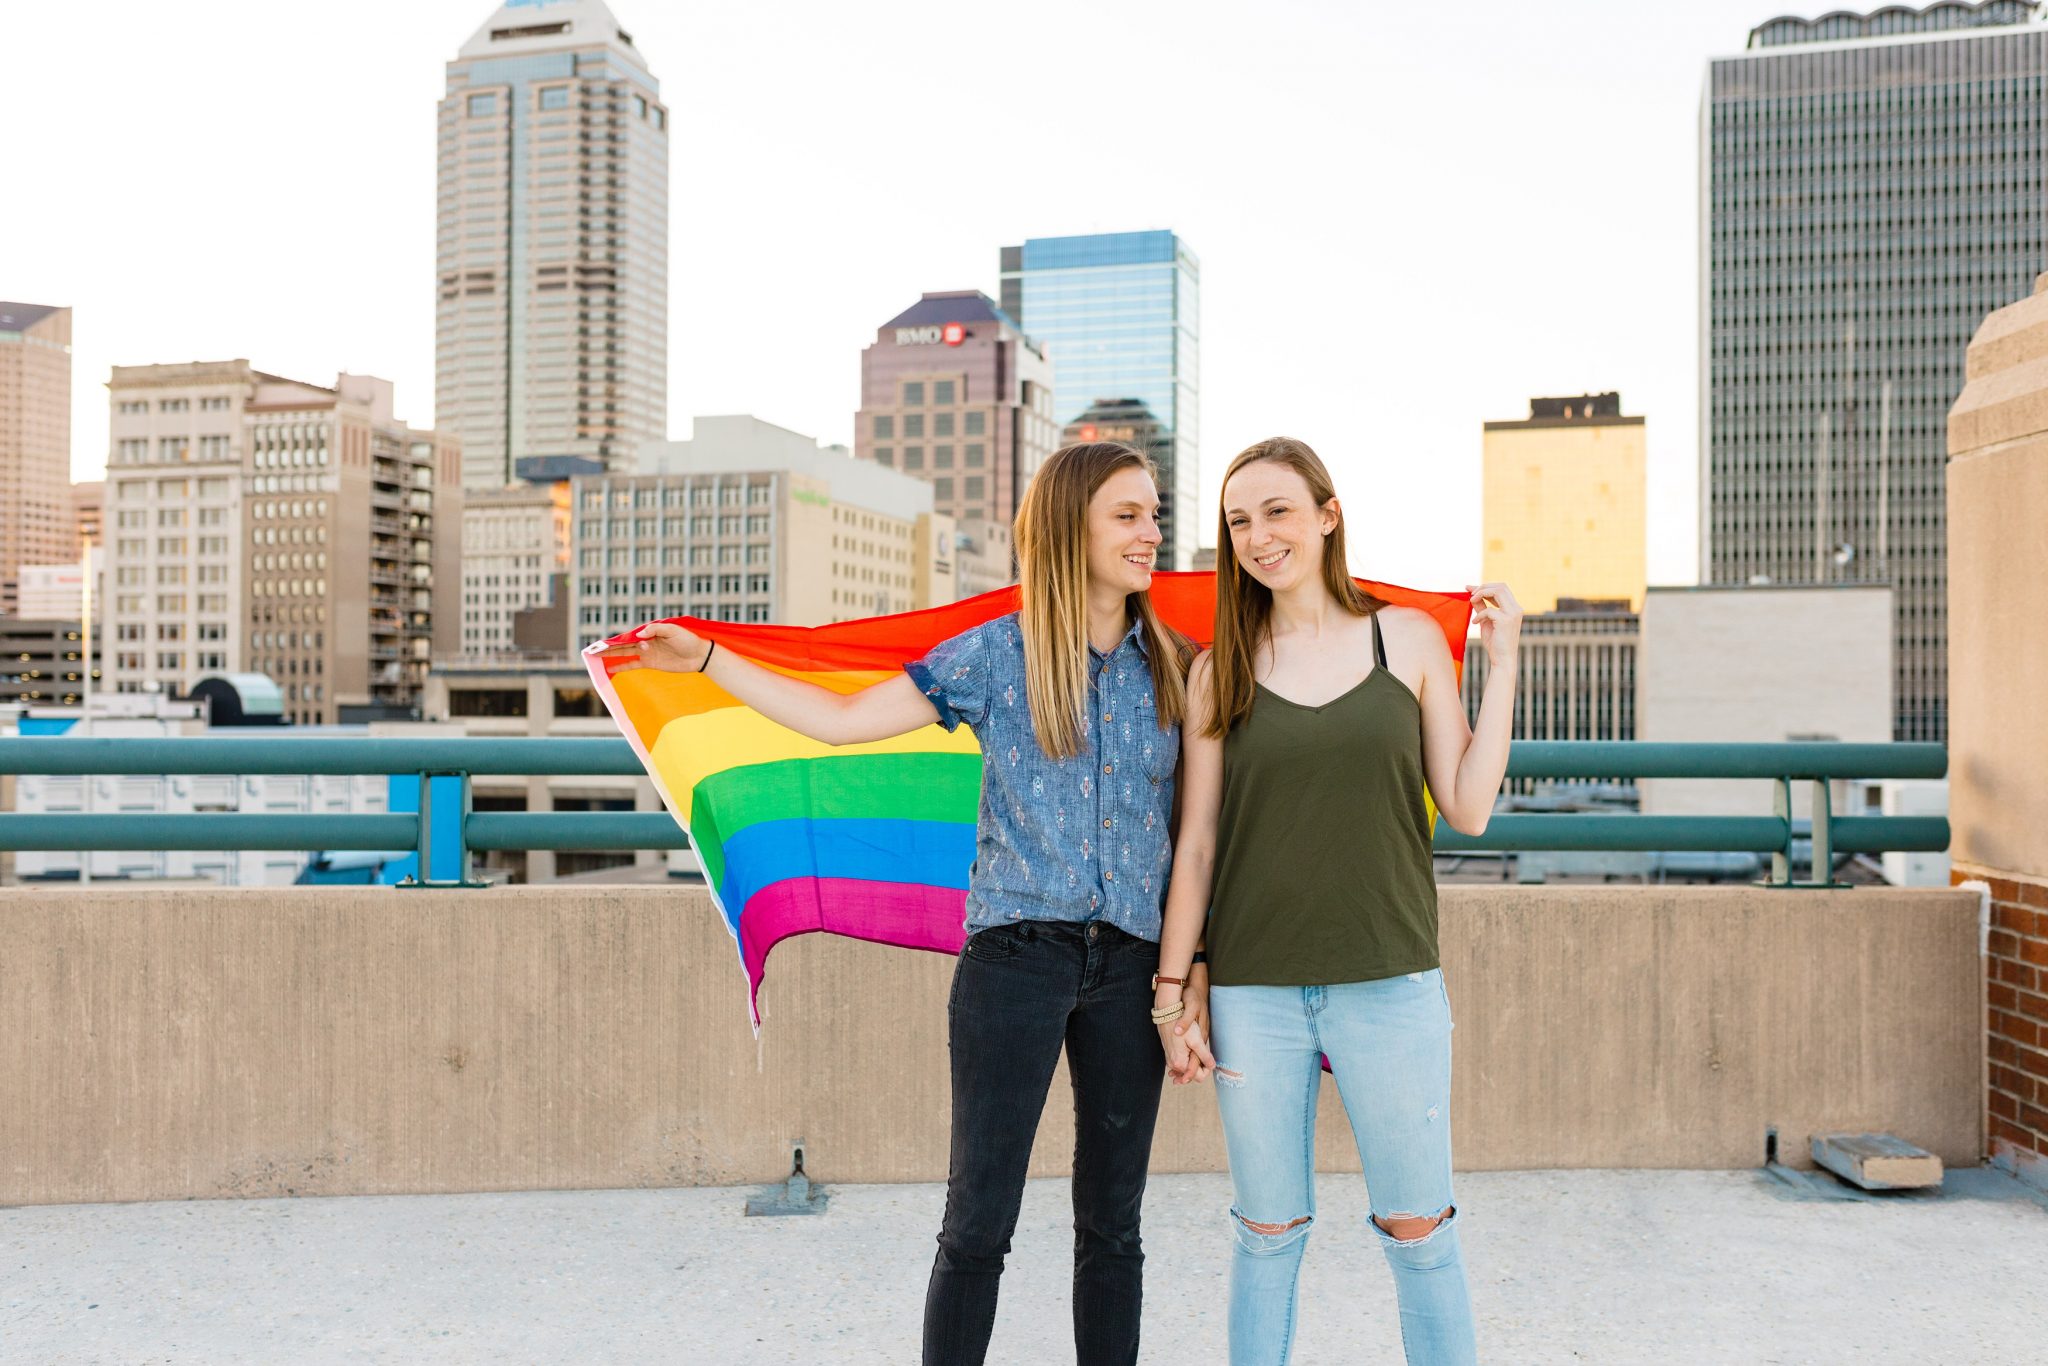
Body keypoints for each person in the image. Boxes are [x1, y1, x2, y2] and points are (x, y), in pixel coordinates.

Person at [602, 441, 1193, 1366]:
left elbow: (1210, 821)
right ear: (1069, 524)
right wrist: (710, 656)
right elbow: (840, 722)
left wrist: (1184, 973)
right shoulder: (999, 654)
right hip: (1014, 961)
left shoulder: (1179, 667)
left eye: (1155, 514)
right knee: (977, 1222)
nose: (1150, 533)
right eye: (1128, 514)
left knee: (1114, 1224)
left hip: (1132, 967)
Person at [1152, 435, 1519, 1365]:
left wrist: (1505, 654)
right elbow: (1195, 845)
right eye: (1238, 521)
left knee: (1420, 1233)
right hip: (1253, 995)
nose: (1258, 536)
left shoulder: (1408, 639)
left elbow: (1469, 806)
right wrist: (1173, 989)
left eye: (1277, 511)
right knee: (1265, 1236)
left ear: (1328, 514)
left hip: (1391, 983)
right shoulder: (1217, 669)